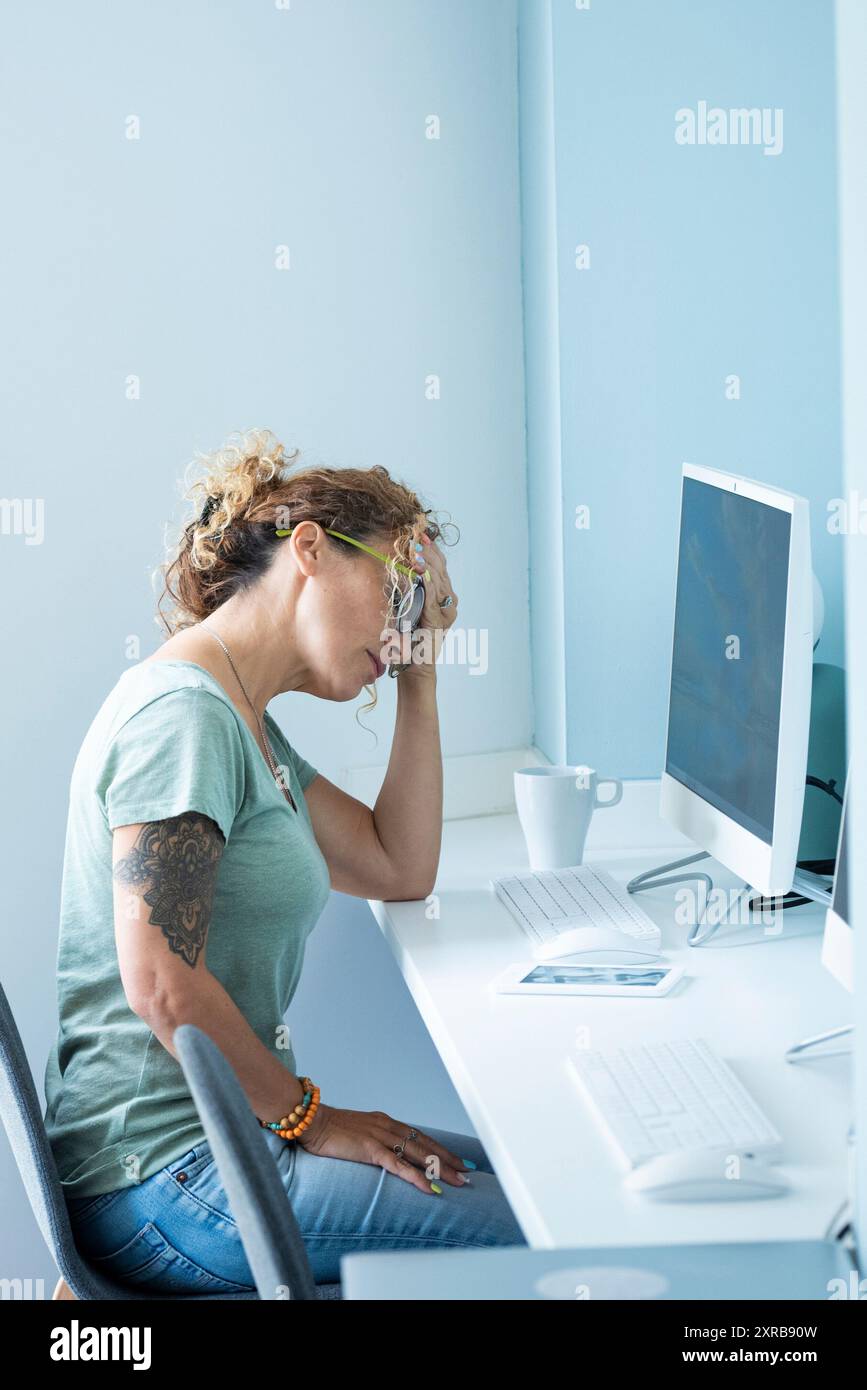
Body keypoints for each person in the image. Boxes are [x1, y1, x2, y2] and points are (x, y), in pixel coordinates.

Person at [44, 427, 527, 1294]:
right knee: (545, 1243)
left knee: (540, 1188)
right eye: (397, 589)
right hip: (167, 1177)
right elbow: (160, 981)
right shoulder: (183, 719)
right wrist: (310, 1118)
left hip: (216, 1147)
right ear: (309, 550)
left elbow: (396, 865)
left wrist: (418, 669)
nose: (403, 622)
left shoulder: (244, 722)